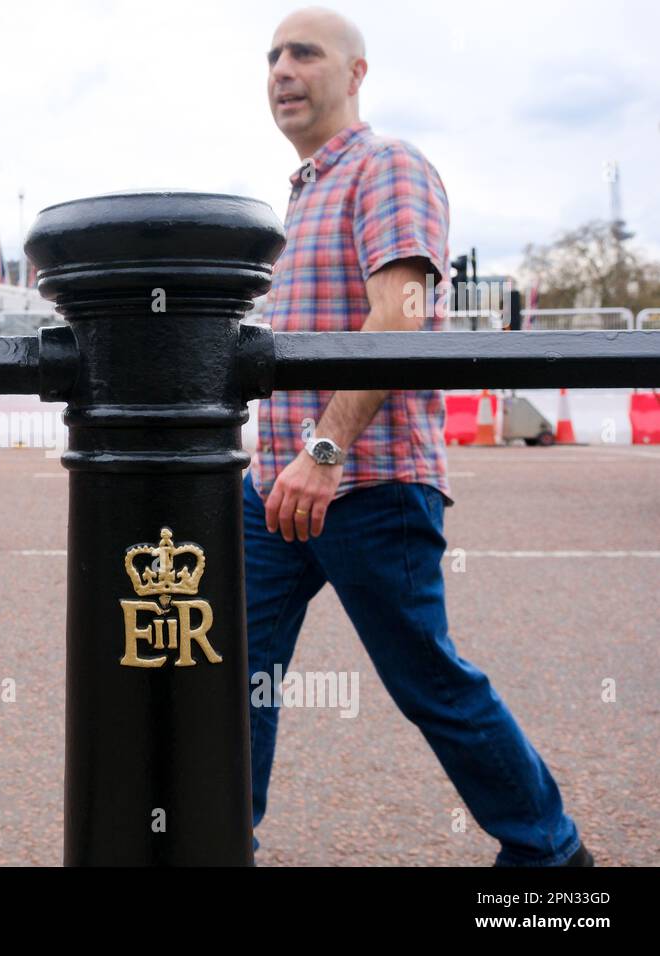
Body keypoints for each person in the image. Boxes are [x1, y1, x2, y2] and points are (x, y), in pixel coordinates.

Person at [246, 7, 590, 867]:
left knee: (427, 681)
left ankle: (551, 858)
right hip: (271, 487)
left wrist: (324, 454)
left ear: (356, 75)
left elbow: (401, 318)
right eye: (273, 57)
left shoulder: (387, 165)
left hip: (365, 480)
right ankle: (219, 838)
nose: (283, 70)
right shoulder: (301, 192)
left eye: (306, 54)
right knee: (233, 673)